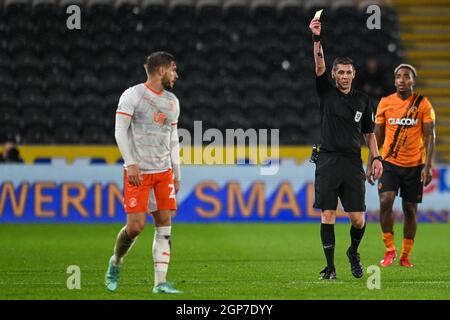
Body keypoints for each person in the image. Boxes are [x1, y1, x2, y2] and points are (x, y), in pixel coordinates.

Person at [309, 16, 383, 280]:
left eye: (348, 72)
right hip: (328, 160)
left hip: (352, 162)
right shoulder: (325, 92)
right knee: (328, 214)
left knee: (357, 219)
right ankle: (330, 268)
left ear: (354, 74)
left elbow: (369, 134)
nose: (343, 75)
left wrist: (376, 158)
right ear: (333, 74)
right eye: (339, 72)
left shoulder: (363, 100)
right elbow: (318, 64)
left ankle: (353, 251)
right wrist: (316, 38)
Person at [104, 51, 182, 294]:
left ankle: (160, 283)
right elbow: (119, 131)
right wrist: (130, 164)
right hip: (138, 172)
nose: (175, 75)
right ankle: (116, 261)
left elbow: (172, 140)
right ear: (161, 71)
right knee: (136, 227)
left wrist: (176, 172)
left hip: (163, 172)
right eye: (173, 69)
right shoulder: (133, 95)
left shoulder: (172, 102)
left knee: (164, 224)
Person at [368, 64, 435, 268]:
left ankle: (405, 255)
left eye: (406, 77)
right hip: (389, 162)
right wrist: (371, 161)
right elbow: (377, 135)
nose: (401, 80)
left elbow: (430, 137)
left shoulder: (423, 104)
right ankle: (390, 250)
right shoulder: (386, 103)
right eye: (398, 76)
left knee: (410, 209)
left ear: (413, 80)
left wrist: (428, 166)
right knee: (386, 200)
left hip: (415, 164)